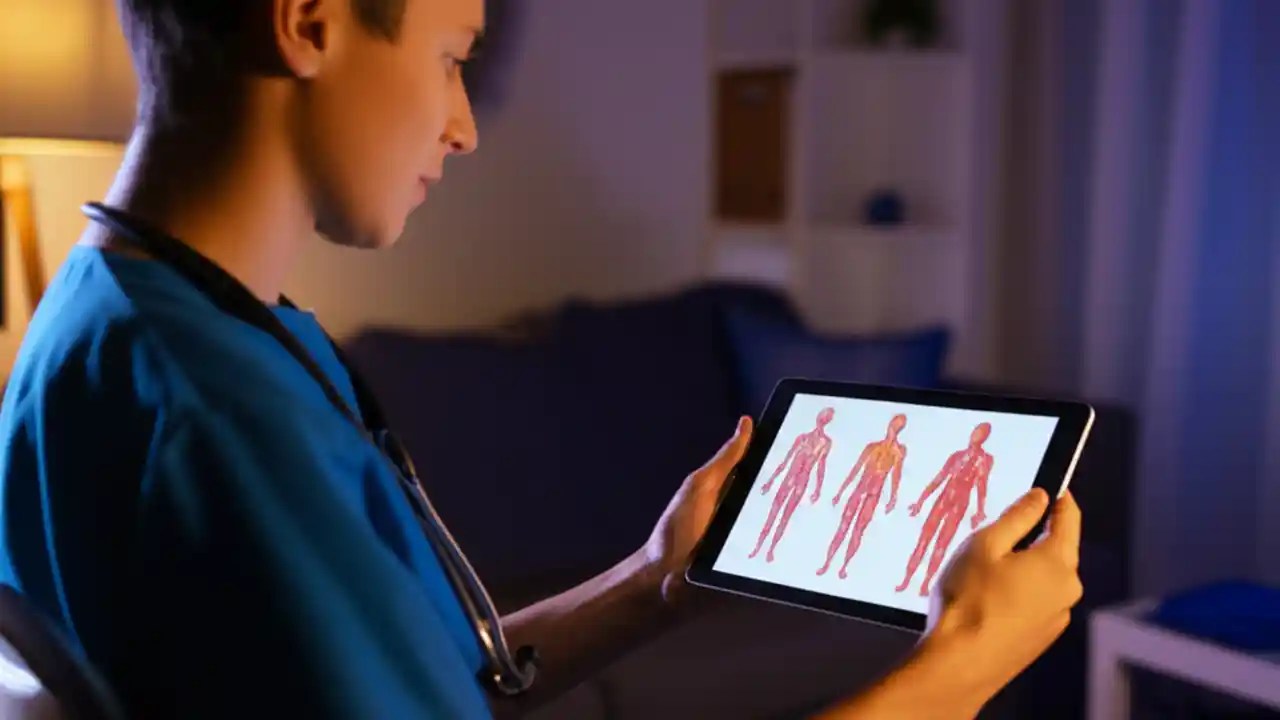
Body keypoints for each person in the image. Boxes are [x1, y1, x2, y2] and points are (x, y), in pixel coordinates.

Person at [0, 1, 1084, 718]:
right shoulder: (224, 420)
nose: (463, 125)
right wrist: (956, 670)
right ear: (312, 21)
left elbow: (418, 685)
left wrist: (650, 582)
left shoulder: (122, 319)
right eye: (449, 57)